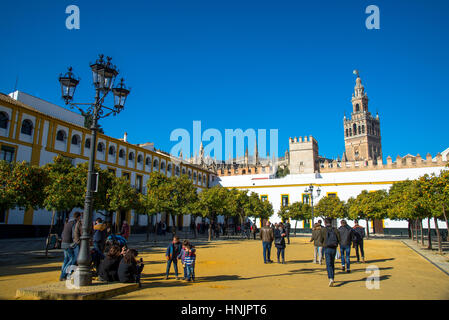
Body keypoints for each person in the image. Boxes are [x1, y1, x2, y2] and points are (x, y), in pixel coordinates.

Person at [59, 212, 81, 281]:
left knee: (66, 259)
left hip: (63, 243)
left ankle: (62, 273)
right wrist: (75, 242)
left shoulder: (68, 223)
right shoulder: (74, 223)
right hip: (69, 243)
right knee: (72, 259)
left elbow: (62, 234)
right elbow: (74, 234)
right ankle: (63, 275)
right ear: (78, 217)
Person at [319, 218, 341, 287]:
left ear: (325, 222)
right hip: (334, 248)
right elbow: (339, 239)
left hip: (327, 248)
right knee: (332, 262)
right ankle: (333, 277)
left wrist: (324, 243)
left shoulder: (323, 230)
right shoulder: (335, 230)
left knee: (328, 264)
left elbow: (320, 240)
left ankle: (330, 278)